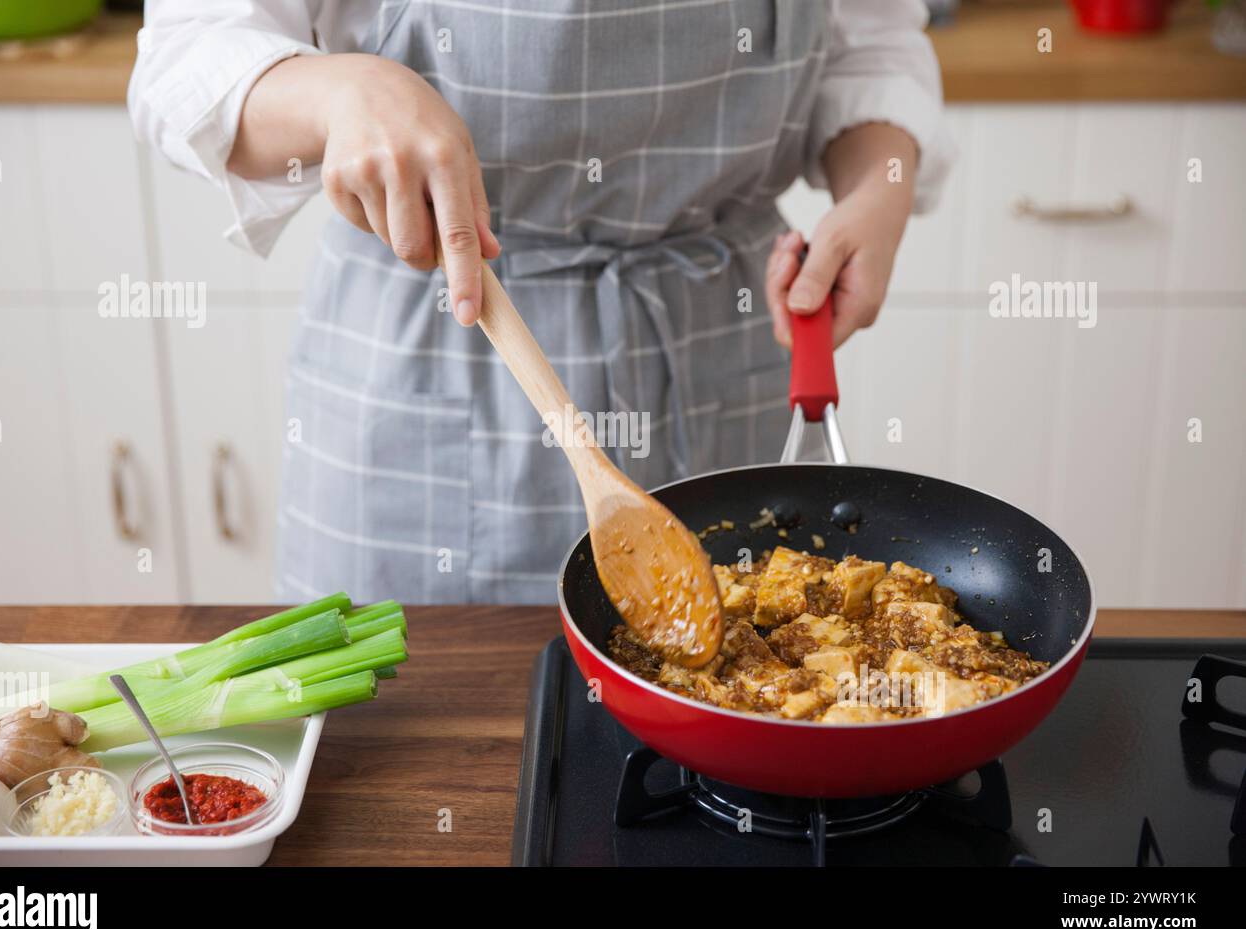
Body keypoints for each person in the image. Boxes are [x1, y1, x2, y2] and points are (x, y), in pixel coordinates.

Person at [129, 0, 954, 605]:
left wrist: (877, 194)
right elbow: (187, 56)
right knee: (413, 762)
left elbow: (869, 45)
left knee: (757, 701)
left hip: (722, 346)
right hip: (435, 345)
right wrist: (338, 92)